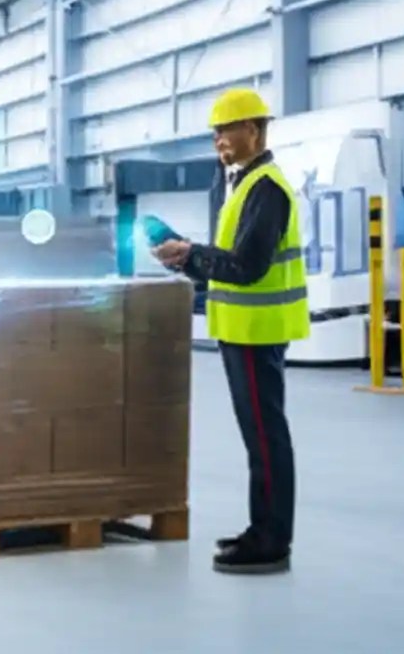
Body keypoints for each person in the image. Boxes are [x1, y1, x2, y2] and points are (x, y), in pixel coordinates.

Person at [151, 88, 309, 575]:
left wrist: (192, 252)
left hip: (257, 331)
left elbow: (247, 266)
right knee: (257, 436)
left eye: (227, 129)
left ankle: (271, 540)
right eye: (215, 132)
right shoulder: (238, 185)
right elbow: (227, 264)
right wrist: (187, 260)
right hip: (241, 330)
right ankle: (260, 528)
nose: (219, 139)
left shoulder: (267, 188)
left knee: (266, 437)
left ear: (254, 131)